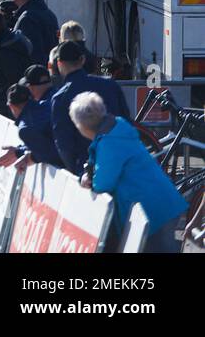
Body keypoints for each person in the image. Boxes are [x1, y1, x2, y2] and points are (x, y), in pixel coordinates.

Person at [72, 91, 188, 253]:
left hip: (150, 211)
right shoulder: (117, 128)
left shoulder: (109, 142)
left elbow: (103, 184)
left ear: (82, 126)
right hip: (160, 203)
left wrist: (87, 181)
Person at [49, 41, 129, 175]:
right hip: (119, 160)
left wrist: (75, 171)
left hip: (88, 170)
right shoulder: (110, 85)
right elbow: (126, 120)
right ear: (82, 60)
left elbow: (64, 143)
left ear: (59, 63)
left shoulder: (60, 98)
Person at [11, 0, 58, 68]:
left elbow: (33, 54)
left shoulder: (27, 19)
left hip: (37, 76)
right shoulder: (49, 14)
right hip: (52, 71)